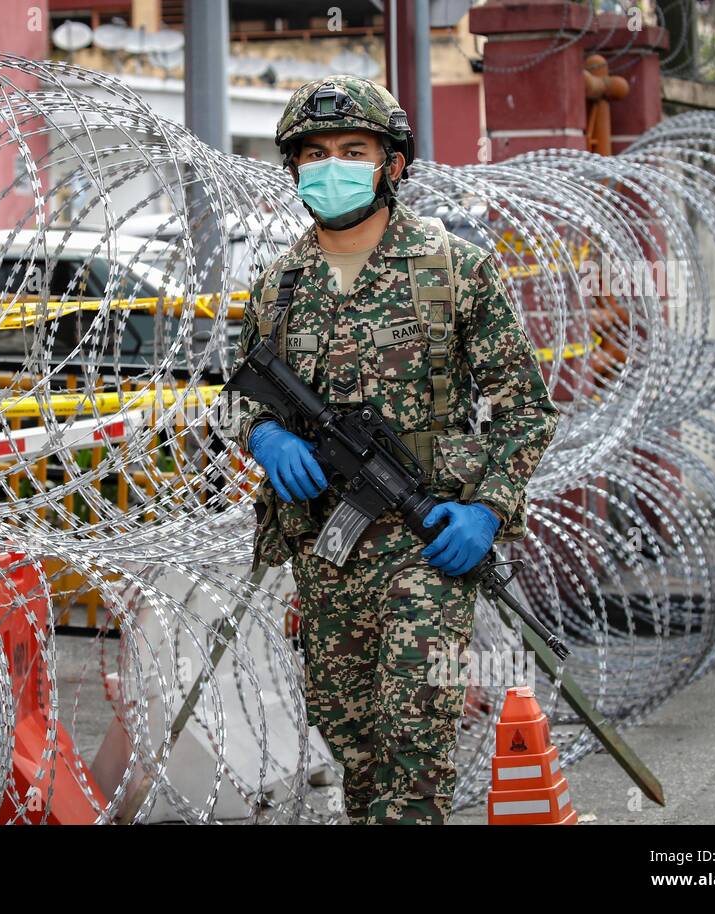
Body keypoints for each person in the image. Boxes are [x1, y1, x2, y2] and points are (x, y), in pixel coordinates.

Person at [223, 75, 560, 824]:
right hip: (324, 552)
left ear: (393, 165)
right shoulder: (279, 283)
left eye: (352, 150)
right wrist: (265, 433)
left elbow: (524, 410)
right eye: (314, 154)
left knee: (414, 755)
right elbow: (240, 392)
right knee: (356, 751)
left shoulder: (455, 270)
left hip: (426, 544)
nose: (331, 167)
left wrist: (488, 513)